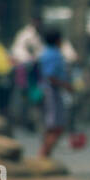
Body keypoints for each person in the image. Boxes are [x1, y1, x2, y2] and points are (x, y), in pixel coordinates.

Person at [38, 28, 74, 158]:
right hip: (51, 93)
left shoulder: (45, 53)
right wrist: (67, 85)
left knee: (52, 126)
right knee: (56, 126)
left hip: (49, 91)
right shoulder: (54, 55)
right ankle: (43, 154)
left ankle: (45, 153)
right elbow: (50, 76)